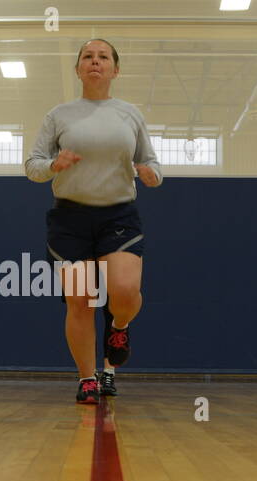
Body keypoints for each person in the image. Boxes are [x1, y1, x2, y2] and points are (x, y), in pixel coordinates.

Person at [24, 38, 163, 404]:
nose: (95, 61)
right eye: (88, 56)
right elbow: (32, 166)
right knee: (81, 301)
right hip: (70, 219)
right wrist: (54, 164)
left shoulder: (130, 114)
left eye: (103, 57)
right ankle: (89, 378)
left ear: (115, 70)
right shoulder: (59, 115)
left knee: (123, 292)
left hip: (118, 215)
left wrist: (151, 174)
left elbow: (152, 162)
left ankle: (119, 327)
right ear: (78, 69)